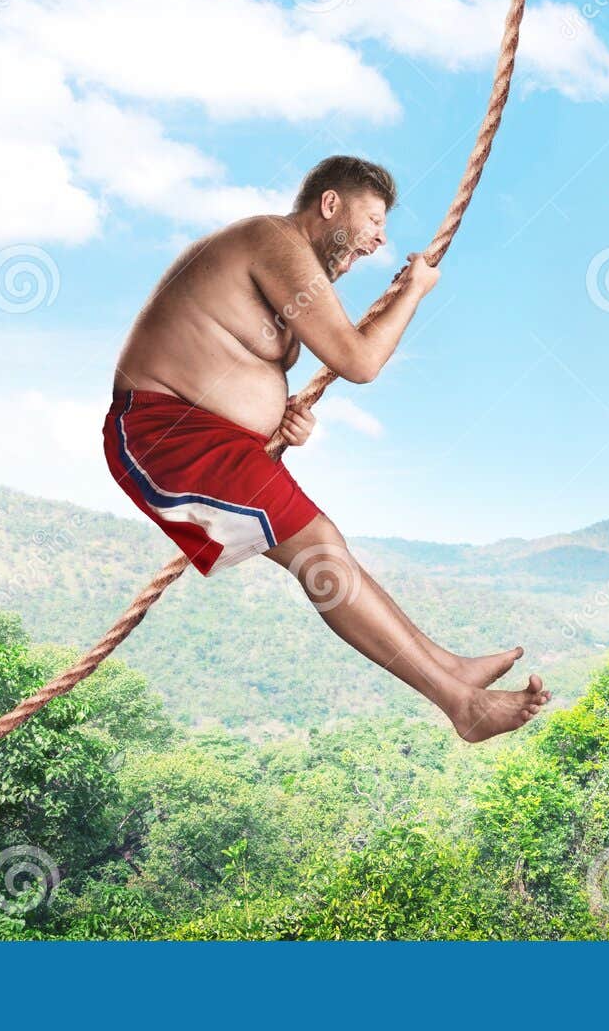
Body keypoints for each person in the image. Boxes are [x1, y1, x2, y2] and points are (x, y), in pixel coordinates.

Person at [104, 155, 550, 742]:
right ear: (330, 204)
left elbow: (231, 360)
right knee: (318, 551)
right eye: (371, 220)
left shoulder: (283, 264)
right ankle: (458, 703)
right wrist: (415, 290)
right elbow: (358, 361)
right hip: (164, 435)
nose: (379, 240)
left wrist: (276, 418)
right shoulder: (274, 239)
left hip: (207, 434)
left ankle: (452, 669)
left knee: (325, 545)